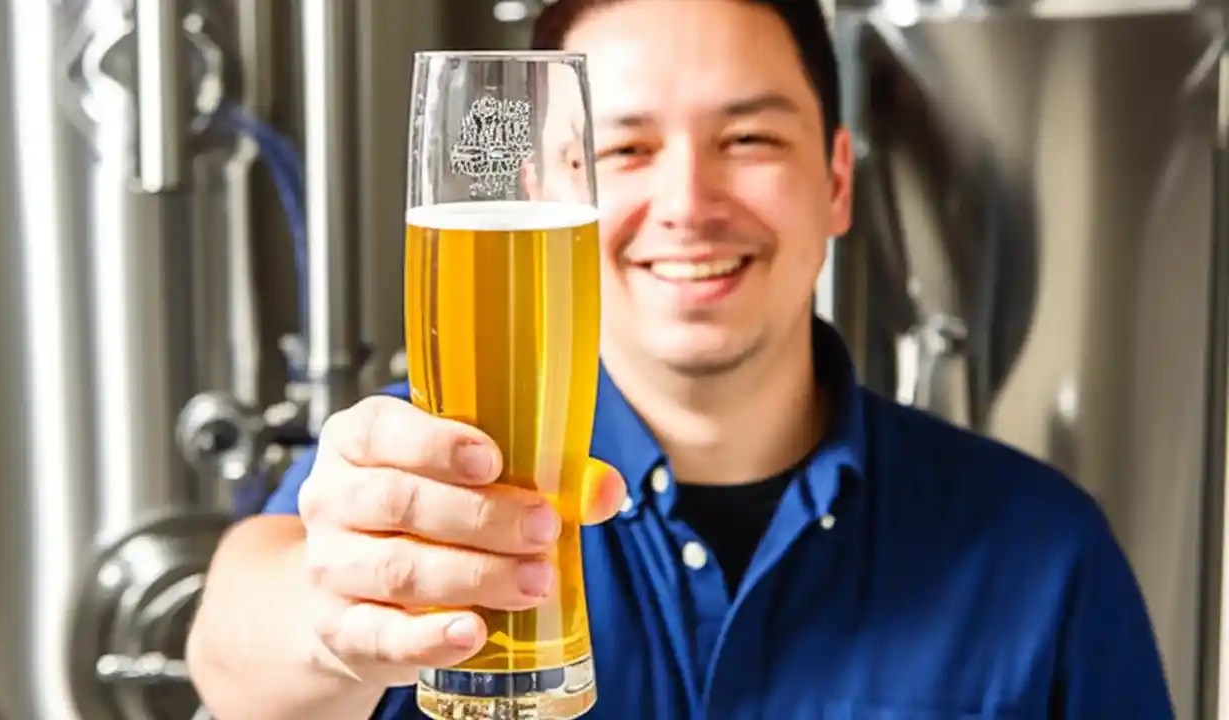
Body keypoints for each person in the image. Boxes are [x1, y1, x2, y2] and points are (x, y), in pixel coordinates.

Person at [185, 0, 1174, 717]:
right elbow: (239, 647)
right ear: (539, 192)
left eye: (746, 137)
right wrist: (327, 627)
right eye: (622, 151)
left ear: (834, 181)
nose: (689, 203)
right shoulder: (430, 480)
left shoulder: (1042, 554)